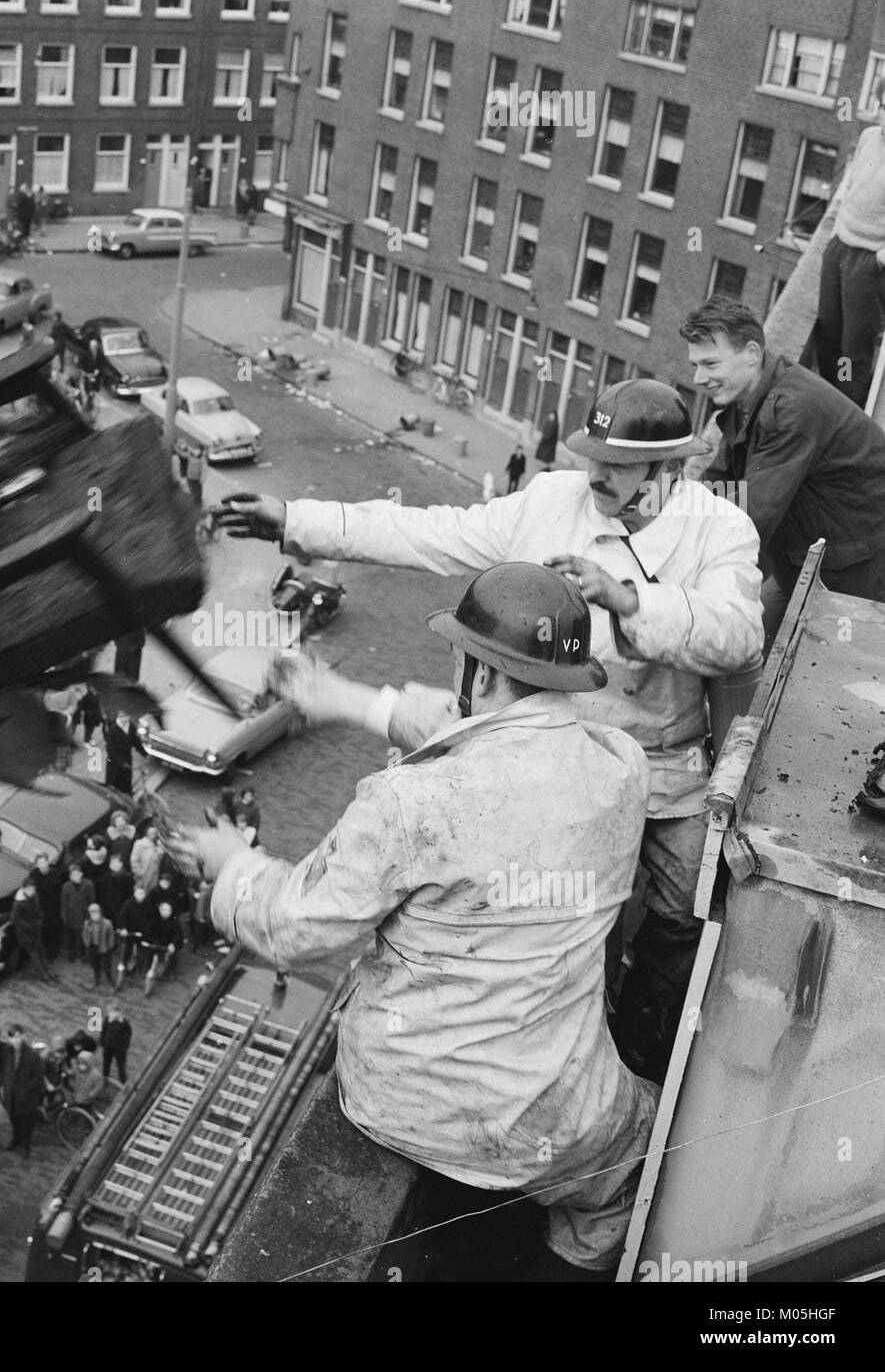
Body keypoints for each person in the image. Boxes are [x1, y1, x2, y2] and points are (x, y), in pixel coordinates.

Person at [214, 379, 765, 1085]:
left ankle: (645, 1053)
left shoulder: (719, 528)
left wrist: (627, 600)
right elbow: (428, 531)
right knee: (571, 924)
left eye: (618, 466)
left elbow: (738, 638)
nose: (595, 475)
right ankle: (578, 1055)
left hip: (664, 774)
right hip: (553, 767)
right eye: (590, 456)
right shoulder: (549, 503)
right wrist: (294, 519)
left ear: (667, 470)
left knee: (680, 921)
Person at [172, 563, 658, 1279]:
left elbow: (295, 928)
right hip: (556, 1109)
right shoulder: (622, 769)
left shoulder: (410, 803)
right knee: (635, 1159)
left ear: (480, 676)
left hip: (408, 1103)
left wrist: (230, 868)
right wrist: (344, 699)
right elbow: (500, 733)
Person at [680, 296, 885, 647]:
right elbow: (714, 487)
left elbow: (749, 518)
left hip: (855, 579)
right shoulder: (744, 401)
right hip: (812, 561)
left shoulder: (793, 411)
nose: (700, 378)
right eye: (696, 365)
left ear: (751, 352)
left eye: (710, 364)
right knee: (749, 645)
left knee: (806, 676)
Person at [813, 78, 885, 408]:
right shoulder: (870, 137)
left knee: (853, 347)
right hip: (840, 247)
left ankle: (847, 413)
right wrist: (835, 235)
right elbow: (850, 187)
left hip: (869, 263)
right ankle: (829, 400)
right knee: (828, 331)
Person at [0, 1024, 44, 1158]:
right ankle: (16, 1139)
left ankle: (25, 1145)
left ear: (23, 1036)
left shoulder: (32, 1055)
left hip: (26, 1098)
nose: (16, 1041)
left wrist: (26, 1090)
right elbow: (1, 1070)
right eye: (13, 1038)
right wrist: (3, 1084)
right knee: (14, 1120)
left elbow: (37, 1076)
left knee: (26, 1124)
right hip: (10, 1096)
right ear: (9, 1039)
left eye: (18, 1037)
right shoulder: (5, 1052)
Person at [10, 883, 51, 981]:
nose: (32, 891)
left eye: (33, 889)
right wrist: (28, 926)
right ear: (24, 889)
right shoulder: (18, 903)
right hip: (26, 933)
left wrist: (40, 920)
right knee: (33, 954)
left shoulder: (35, 897)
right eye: (29, 889)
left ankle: (48, 971)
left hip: (36, 929)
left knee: (41, 950)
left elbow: (39, 910)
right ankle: (44, 975)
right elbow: (14, 919)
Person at [140, 900, 181, 997]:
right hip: (155, 944)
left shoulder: (174, 921)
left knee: (171, 957)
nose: (166, 912)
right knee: (147, 957)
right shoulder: (154, 919)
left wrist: (173, 944)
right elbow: (148, 930)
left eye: (168, 910)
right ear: (160, 910)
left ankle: (171, 971)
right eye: (164, 910)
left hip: (167, 945)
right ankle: (146, 971)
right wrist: (147, 940)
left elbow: (178, 934)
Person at [60, 862, 95, 965]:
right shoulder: (66, 887)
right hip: (70, 916)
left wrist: (90, 916)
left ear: (81, 874)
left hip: (83, 915)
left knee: (83, 937)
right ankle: (71, 952)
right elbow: (63, 902)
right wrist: (64, 916)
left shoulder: (89, 885)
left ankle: (83, 953)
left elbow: (91, 901)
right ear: (70, 877)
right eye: (73, 875)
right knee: (70, 937)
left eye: (77, 874)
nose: (75, 877)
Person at [30, 852, 62, 960]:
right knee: (44, 929)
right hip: (41, 906)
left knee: (54, 929)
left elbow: (58, 890)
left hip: (53, 906)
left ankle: (54, 950)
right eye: (39, 863)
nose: (42, 865)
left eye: (44, 862)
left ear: (48, 862)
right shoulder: (34, 875)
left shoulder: (55, 873)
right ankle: (48, 949)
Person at [82, 902, 116, 989]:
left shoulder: (107, 923)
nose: (94, 915)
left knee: (107, 965)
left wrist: (110, 947)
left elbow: (111, 936)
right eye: (92, 913)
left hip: (105, 948)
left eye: (96, 913)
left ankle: (110, 979)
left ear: (100, 913)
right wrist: (87, 943)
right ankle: (96, 980)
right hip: (93, 947)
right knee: (95, 964)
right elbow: (84, 934)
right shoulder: (87, 923)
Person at [100, 1003, 132, 1085]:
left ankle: (123, 1081)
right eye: (110, 1011)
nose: (111, 1013)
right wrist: (102, 1042)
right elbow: (103, 1031)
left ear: (119, 1012)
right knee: (106, 1064)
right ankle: (104, 1079)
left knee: (121, 1066)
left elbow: (128, 1034)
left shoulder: (124, 1023)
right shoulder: (107, 1020)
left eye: (113, 1011)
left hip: (119, 1049)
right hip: (108, 1047)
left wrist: (125, 1047)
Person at [130, 823, 162, 895]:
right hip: (143, 876)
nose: (153, 834)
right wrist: (139, 872)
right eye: (151, 832)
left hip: (154, 878)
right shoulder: (140, 843)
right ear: (146, 832)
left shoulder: (158, 845)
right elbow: (134, 860)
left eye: (155, 833)